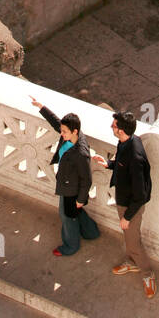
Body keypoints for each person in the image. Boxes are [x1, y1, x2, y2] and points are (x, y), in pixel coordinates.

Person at [92, 111, 155, 295]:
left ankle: (147, 274)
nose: (112, 126)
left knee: (133, 243)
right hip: (124, 200)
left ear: (121, 130)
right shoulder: (126, 142)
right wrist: (109, 164)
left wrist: (127, 217)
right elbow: (121, 164)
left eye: (114, 125)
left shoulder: (135, 155)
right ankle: (132, 262)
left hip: (131, 206)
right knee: (130, 239)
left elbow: (141, 194)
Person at [30, 97, 99, 256]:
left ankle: (71, 246)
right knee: (74, 212)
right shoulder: (71, 134)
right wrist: (42, 107)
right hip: (67, 184)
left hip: (71, 189)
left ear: (75, 131)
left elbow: (86, 179)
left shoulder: (81, 153)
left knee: (67, 215)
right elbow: (56, 122)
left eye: (64, 131)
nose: (61, 133)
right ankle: (91, 232)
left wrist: (81, 199)